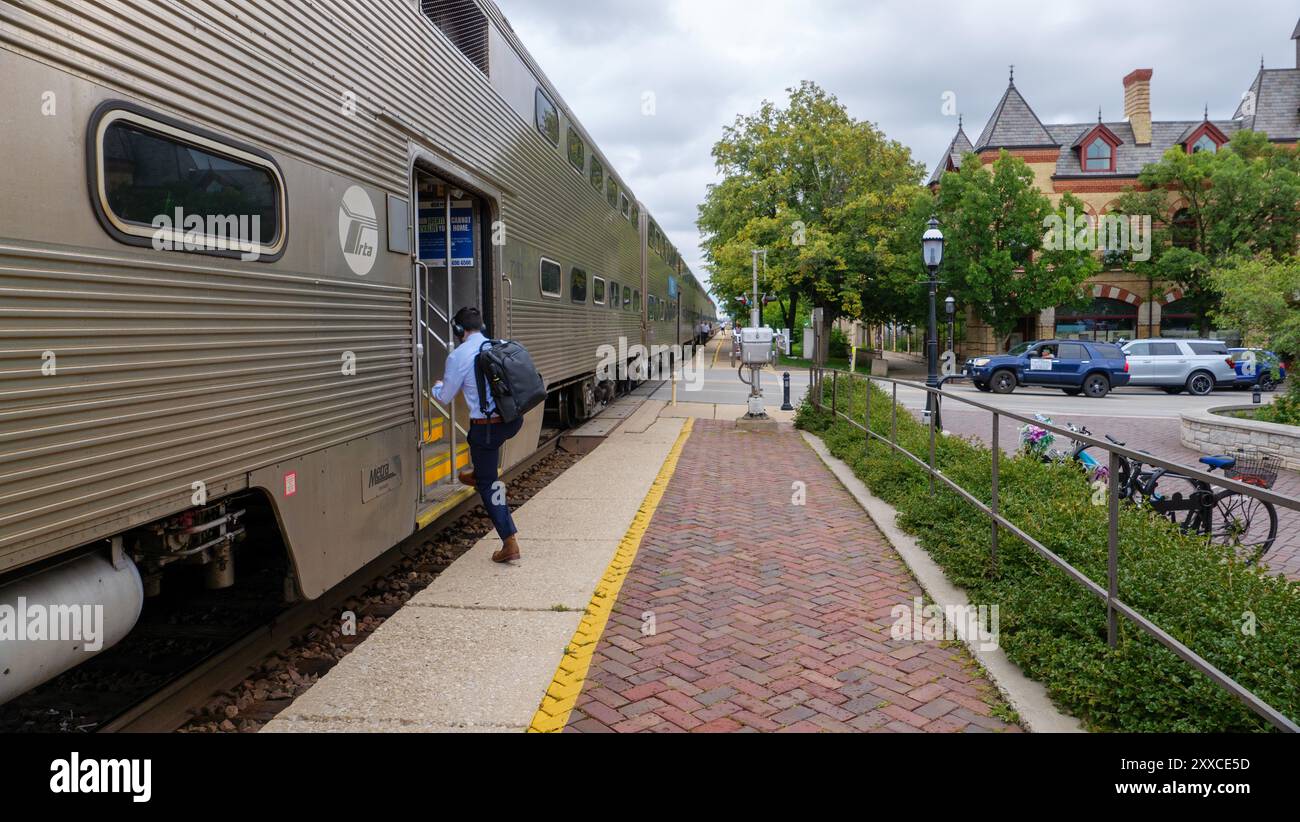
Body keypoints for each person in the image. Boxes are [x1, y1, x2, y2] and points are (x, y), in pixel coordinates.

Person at [433, 307, 524, 563]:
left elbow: (445, 397)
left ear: (459, 330)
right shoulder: (499, 345)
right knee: (485, 463)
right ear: (481, 326)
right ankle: (481, 471)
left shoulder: (458, 356)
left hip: (487, 429)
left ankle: (509, 543)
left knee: (488, 483)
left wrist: (437, 386)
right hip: (512, 421)